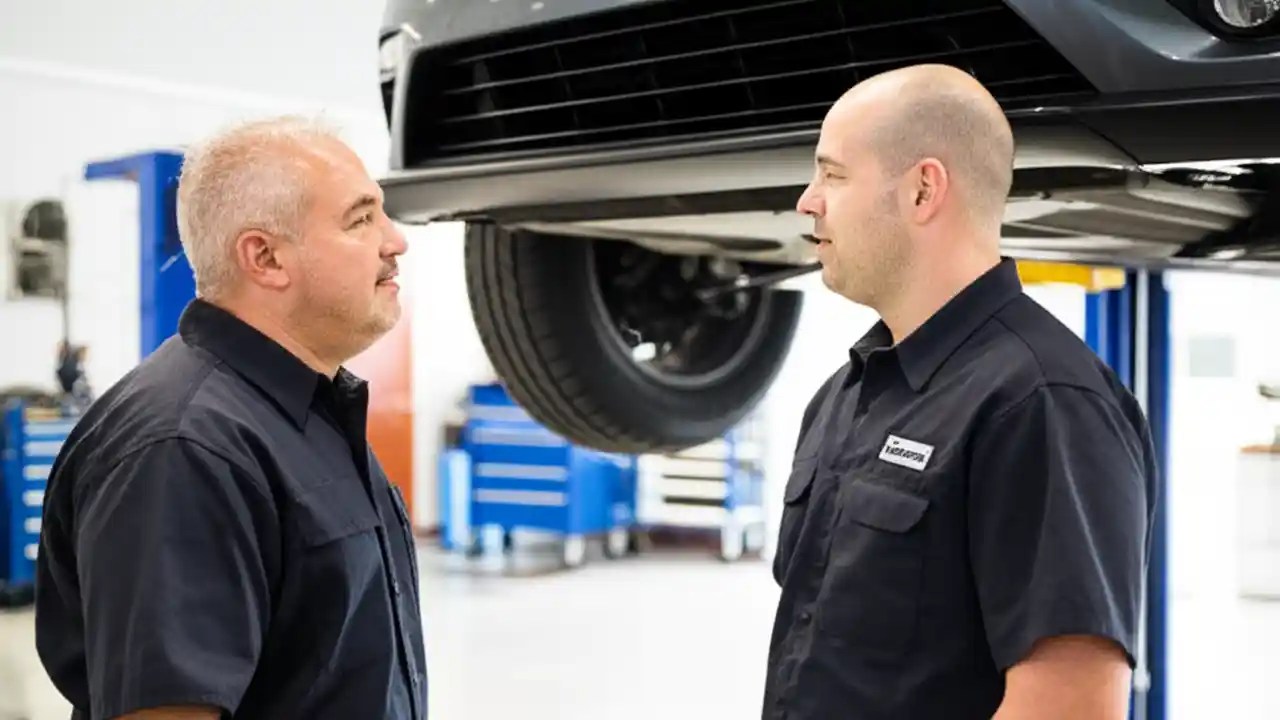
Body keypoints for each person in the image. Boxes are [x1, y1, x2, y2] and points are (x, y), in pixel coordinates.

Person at [764, 64, 1158, 720]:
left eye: (832, 174)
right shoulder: (845, 395)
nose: (808, 200)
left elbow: (1071, 706)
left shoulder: (1044, 403)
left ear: (923, 191)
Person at [35, 116, 423, 719]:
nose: (395, 240)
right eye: (361, 218)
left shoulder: (311, 412)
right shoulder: (184, 448)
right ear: (265, 257)